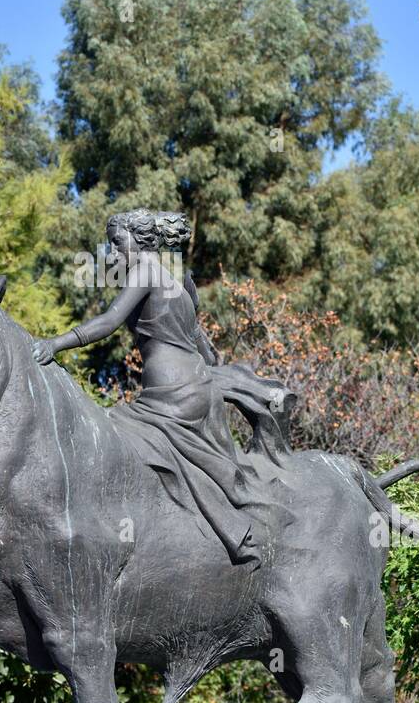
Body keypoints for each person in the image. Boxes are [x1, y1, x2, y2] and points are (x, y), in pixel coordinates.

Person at [31, 208, 264, 568]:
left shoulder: (146, 271)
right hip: (201, 390)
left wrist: (55, 344)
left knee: (109, 432)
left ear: (139, 241)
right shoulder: (178, 285)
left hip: (171, 394)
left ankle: (138, 537)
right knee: (179, 459)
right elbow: (207, 354)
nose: (112, 252)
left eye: (117, 242)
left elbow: (109, 321)